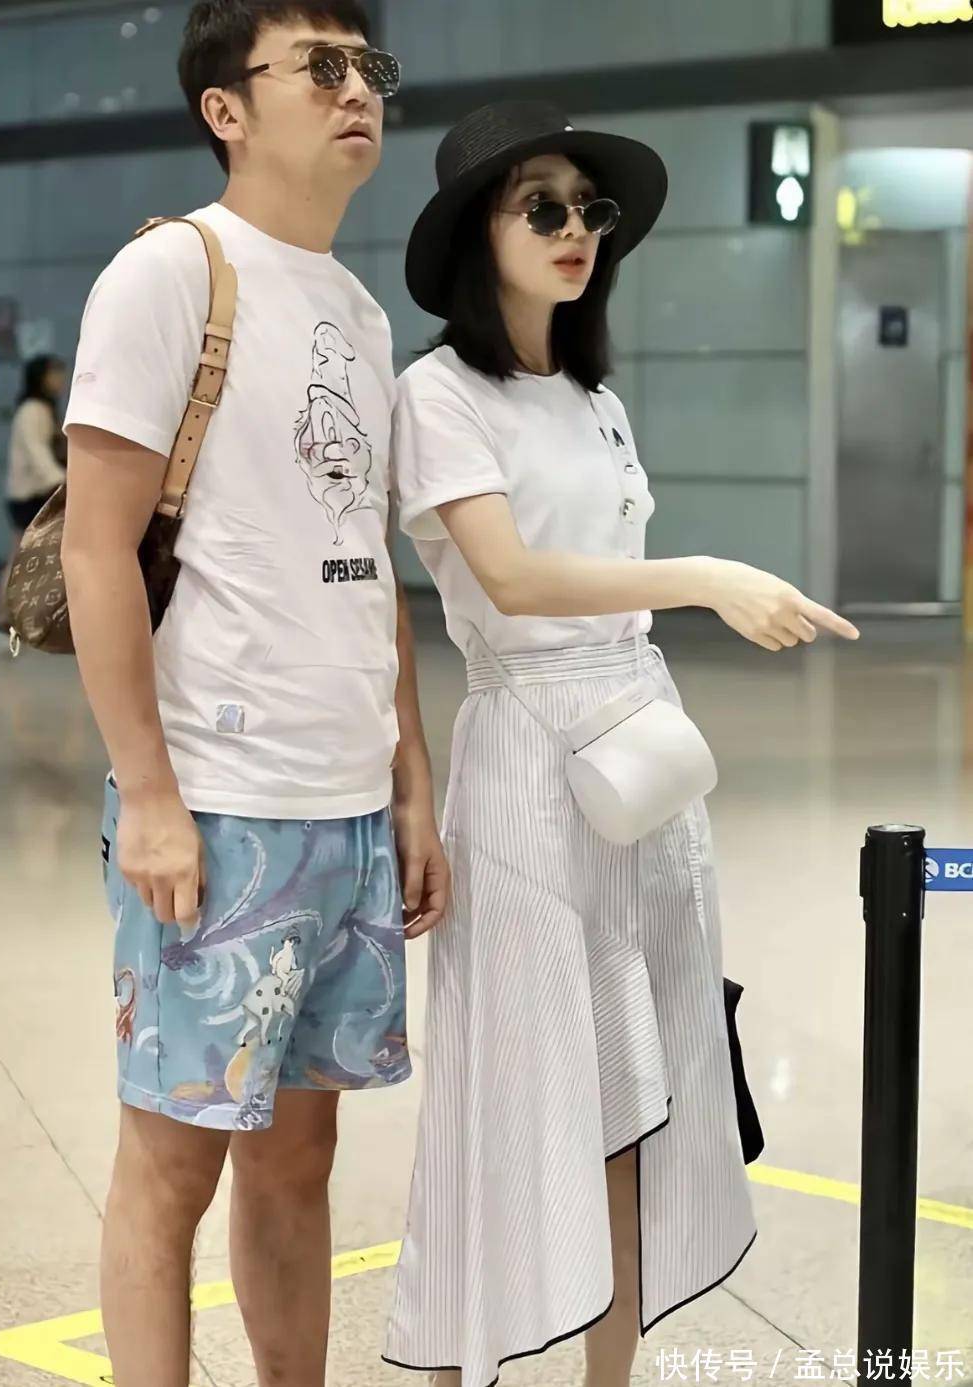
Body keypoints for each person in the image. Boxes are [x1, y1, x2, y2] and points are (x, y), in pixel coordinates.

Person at [382, 101, 861, 1387]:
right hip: (526, 759)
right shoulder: (435, 394)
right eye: (540, 206)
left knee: (636, 1093)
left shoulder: (596, 400)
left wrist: (680, 597)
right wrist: (703, 575)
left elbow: (595, 577)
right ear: (476, 233)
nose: (575, 229)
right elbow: (509, 578)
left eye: (588, 209)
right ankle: (458, 1362)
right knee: (512, 1086)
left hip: (641, 751)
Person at [59, 5, 448, 1387]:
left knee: (298, 1153)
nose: (357, 91)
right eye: (320, 68)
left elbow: (367, 563)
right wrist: (151, 793)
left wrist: (410, 781)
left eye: (369, 67)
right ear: (225, 110)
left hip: (344, 803)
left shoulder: (356, 308)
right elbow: (94, 547)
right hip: (220, 800)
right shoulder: (172, 272)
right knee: (173, 1158)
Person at [0, 353, 67, 646]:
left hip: (37, 494)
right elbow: (38, 456)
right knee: (18, 560)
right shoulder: (33, 411)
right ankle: (1, 620)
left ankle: (15, 620)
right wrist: (64, 481)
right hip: (30, 496)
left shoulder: (44, 409)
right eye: (55, 373)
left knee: (26, 560)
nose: (61, 379)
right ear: (40, 377)